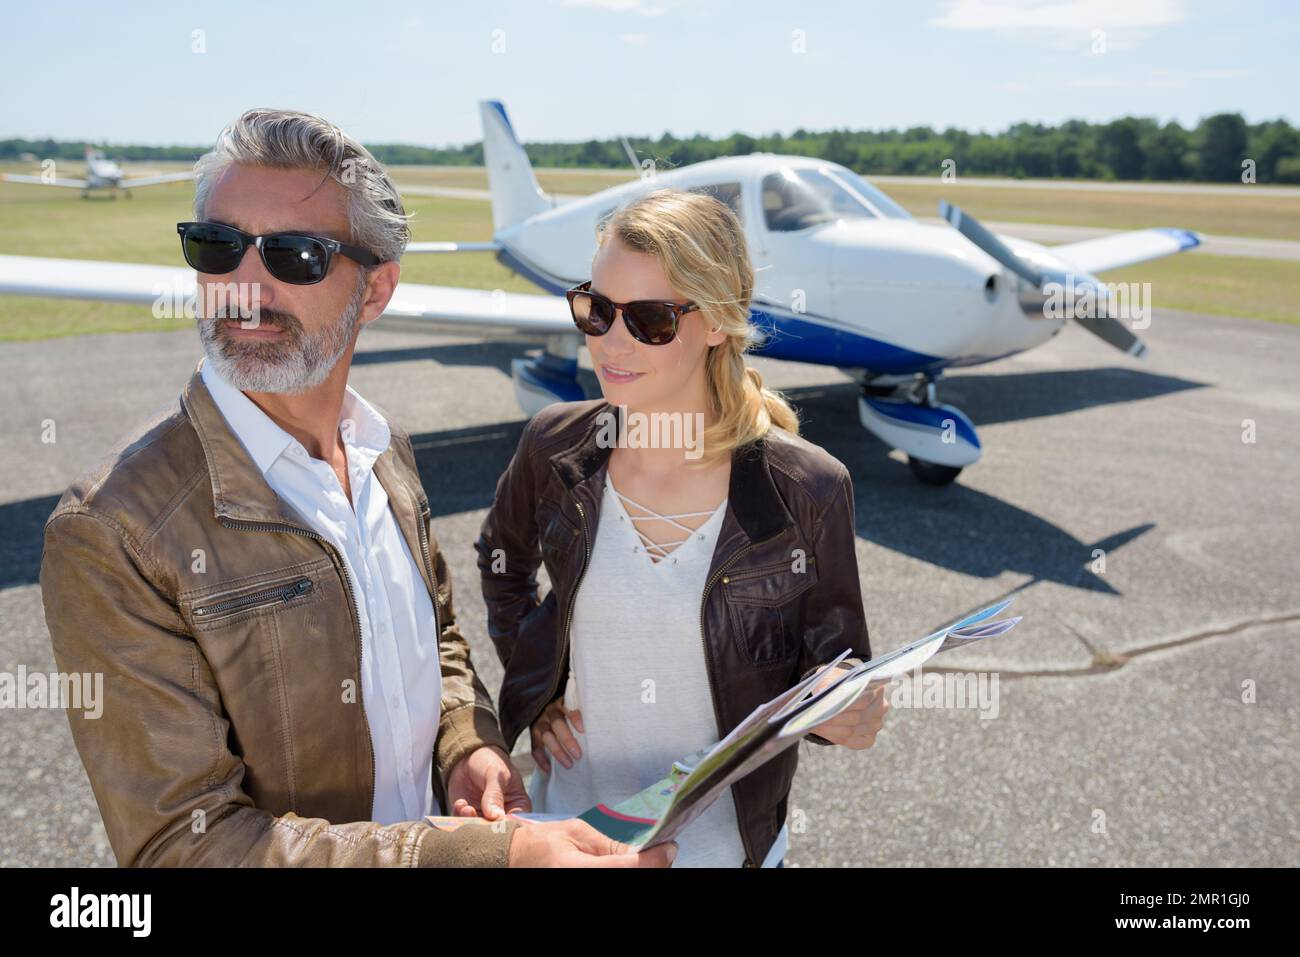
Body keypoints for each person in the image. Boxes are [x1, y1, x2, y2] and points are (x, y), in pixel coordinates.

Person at [39, 108, 673, 868]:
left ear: (376, 291)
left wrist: (464, 741)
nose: (243, 286)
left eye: (294, 255)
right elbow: (184, 844)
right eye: (217, 247)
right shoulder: (113, 530)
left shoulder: (382, 449)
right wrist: (491, 854)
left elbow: (435, 636)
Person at [474, 187, 888, 867]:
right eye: (597, 309)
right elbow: (501, 557)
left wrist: (847, 715)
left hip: (727, 851)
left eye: (651, 319)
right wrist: (536, 687)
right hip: (568, 836)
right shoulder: (554, 448)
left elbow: (834, 667)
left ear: (721, 320)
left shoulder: (809, 488)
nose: (611, 341)